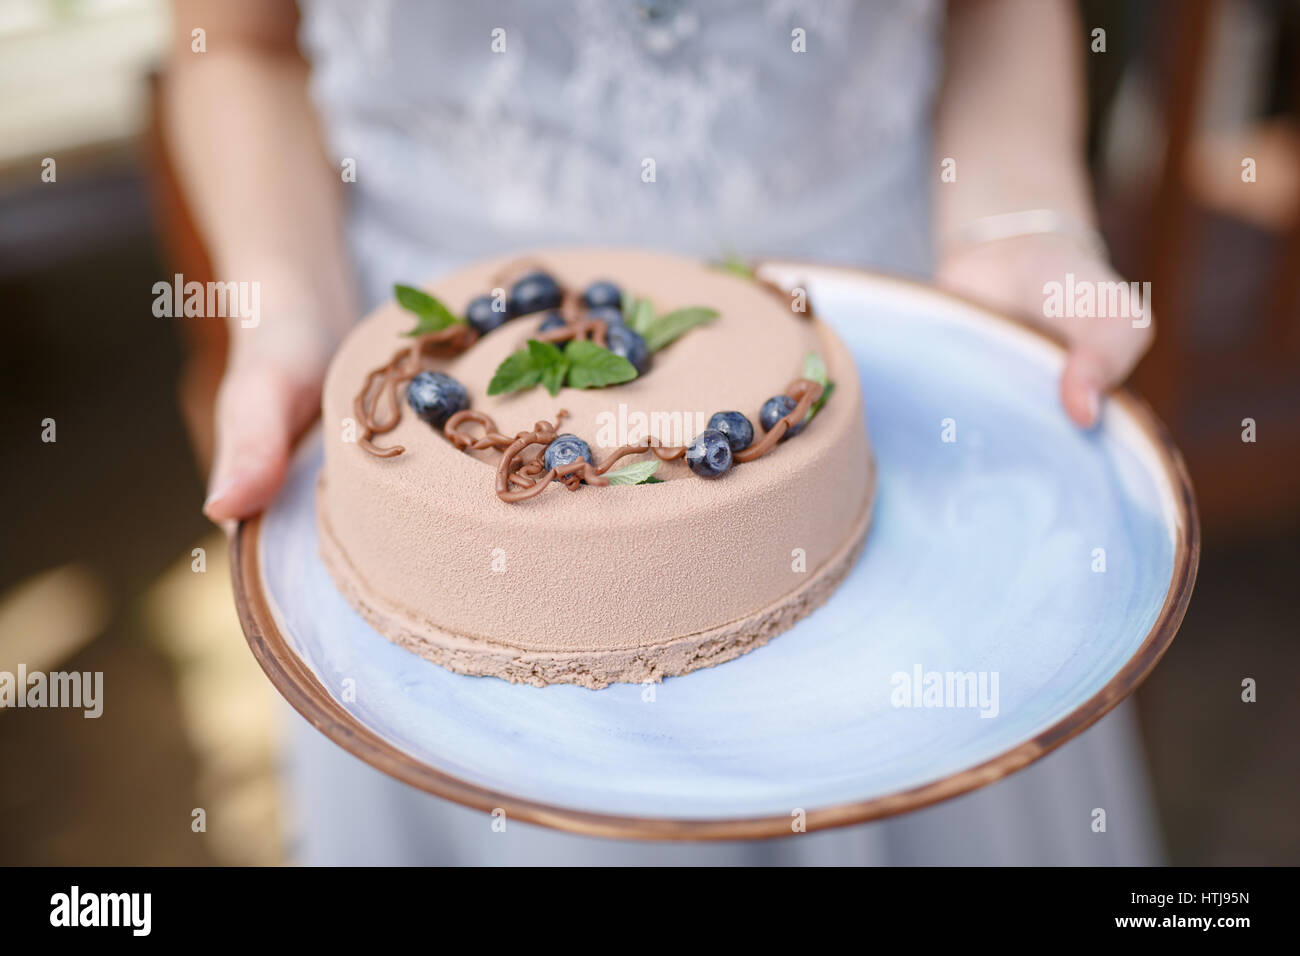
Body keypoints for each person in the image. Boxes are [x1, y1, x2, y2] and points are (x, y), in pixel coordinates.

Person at [168, 0, 1160, 864]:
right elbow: (233, 41)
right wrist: (284, 311)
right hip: (438, 427)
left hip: (867, 359)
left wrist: (1012, 221)